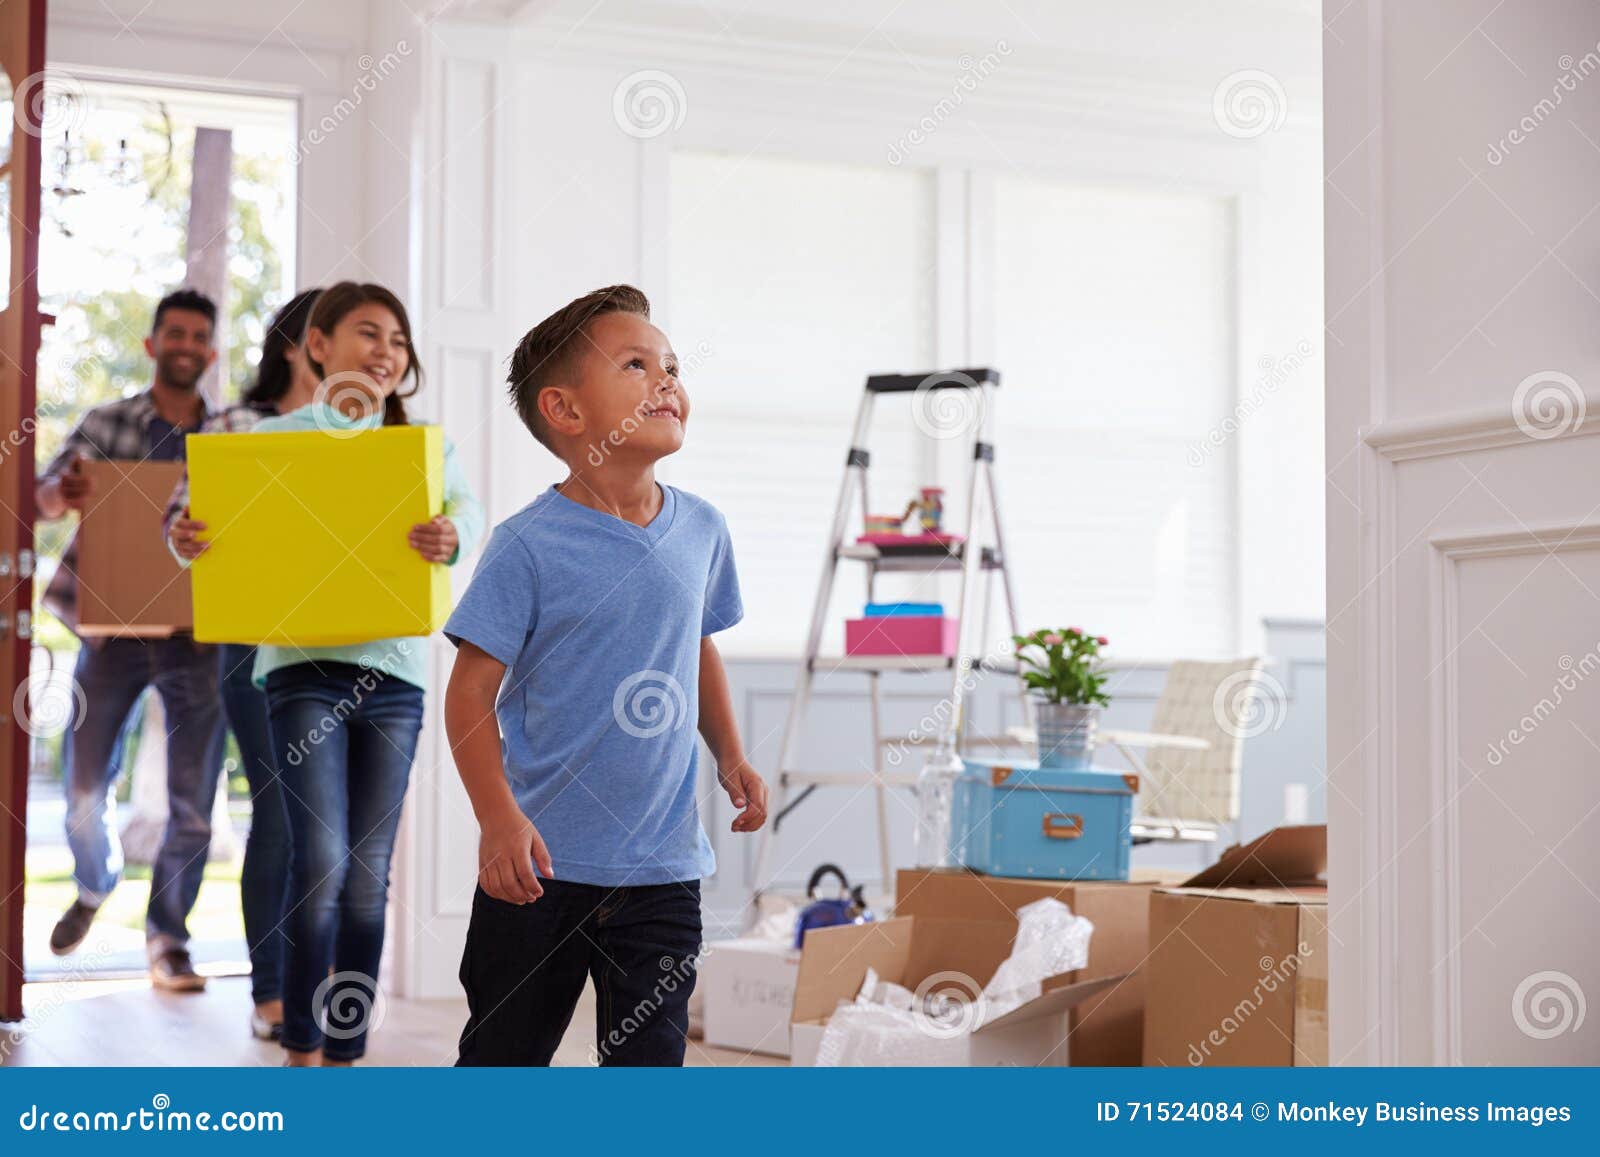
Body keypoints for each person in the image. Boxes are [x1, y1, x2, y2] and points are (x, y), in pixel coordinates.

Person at [444, 285, 767, 1067]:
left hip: (662, 867)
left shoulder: (702, 529)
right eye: (635, 364)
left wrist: (731, 754)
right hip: (539, 868)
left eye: (671, 365)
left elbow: (694, 646)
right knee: (501, 1060)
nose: (666, 380)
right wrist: (498, 820)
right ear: (565, 409)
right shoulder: (527, 545)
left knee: (648, 1067)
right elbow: (469, 695)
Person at [174, 281, 484, 1065]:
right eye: (367, 333)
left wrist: (450, 532)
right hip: (300, 669)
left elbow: (468, 519)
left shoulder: (424, 447)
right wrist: (187, 536)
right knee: (319, 860)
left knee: (367, 872)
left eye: (398, 341)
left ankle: (344, 1048)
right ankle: (301, 1041)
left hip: (397, 674)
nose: (385, 351)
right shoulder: (274, 439)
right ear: (318, 346)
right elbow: (199, 532)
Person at [37, 287, 227, 992]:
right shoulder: (107, 421)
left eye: (197, 336)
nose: (184, 345)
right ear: (152, 345)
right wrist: (63, 491)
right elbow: (40, 496)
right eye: (172, 333)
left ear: (209, 350)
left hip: (196, 633)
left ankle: (168, 938)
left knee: (193, 798)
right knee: (84, 785)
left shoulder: (230, 433)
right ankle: (94, 883)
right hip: (111, 629)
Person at [165, 287, 322, 1041]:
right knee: (282, 813)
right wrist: (187, 534)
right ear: (298, 344)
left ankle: (320, 985)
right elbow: (179, 520)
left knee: (332, 824)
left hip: (346, 650)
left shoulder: (366, 432)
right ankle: (272, 990)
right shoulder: (235, 422)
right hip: (254, 648)